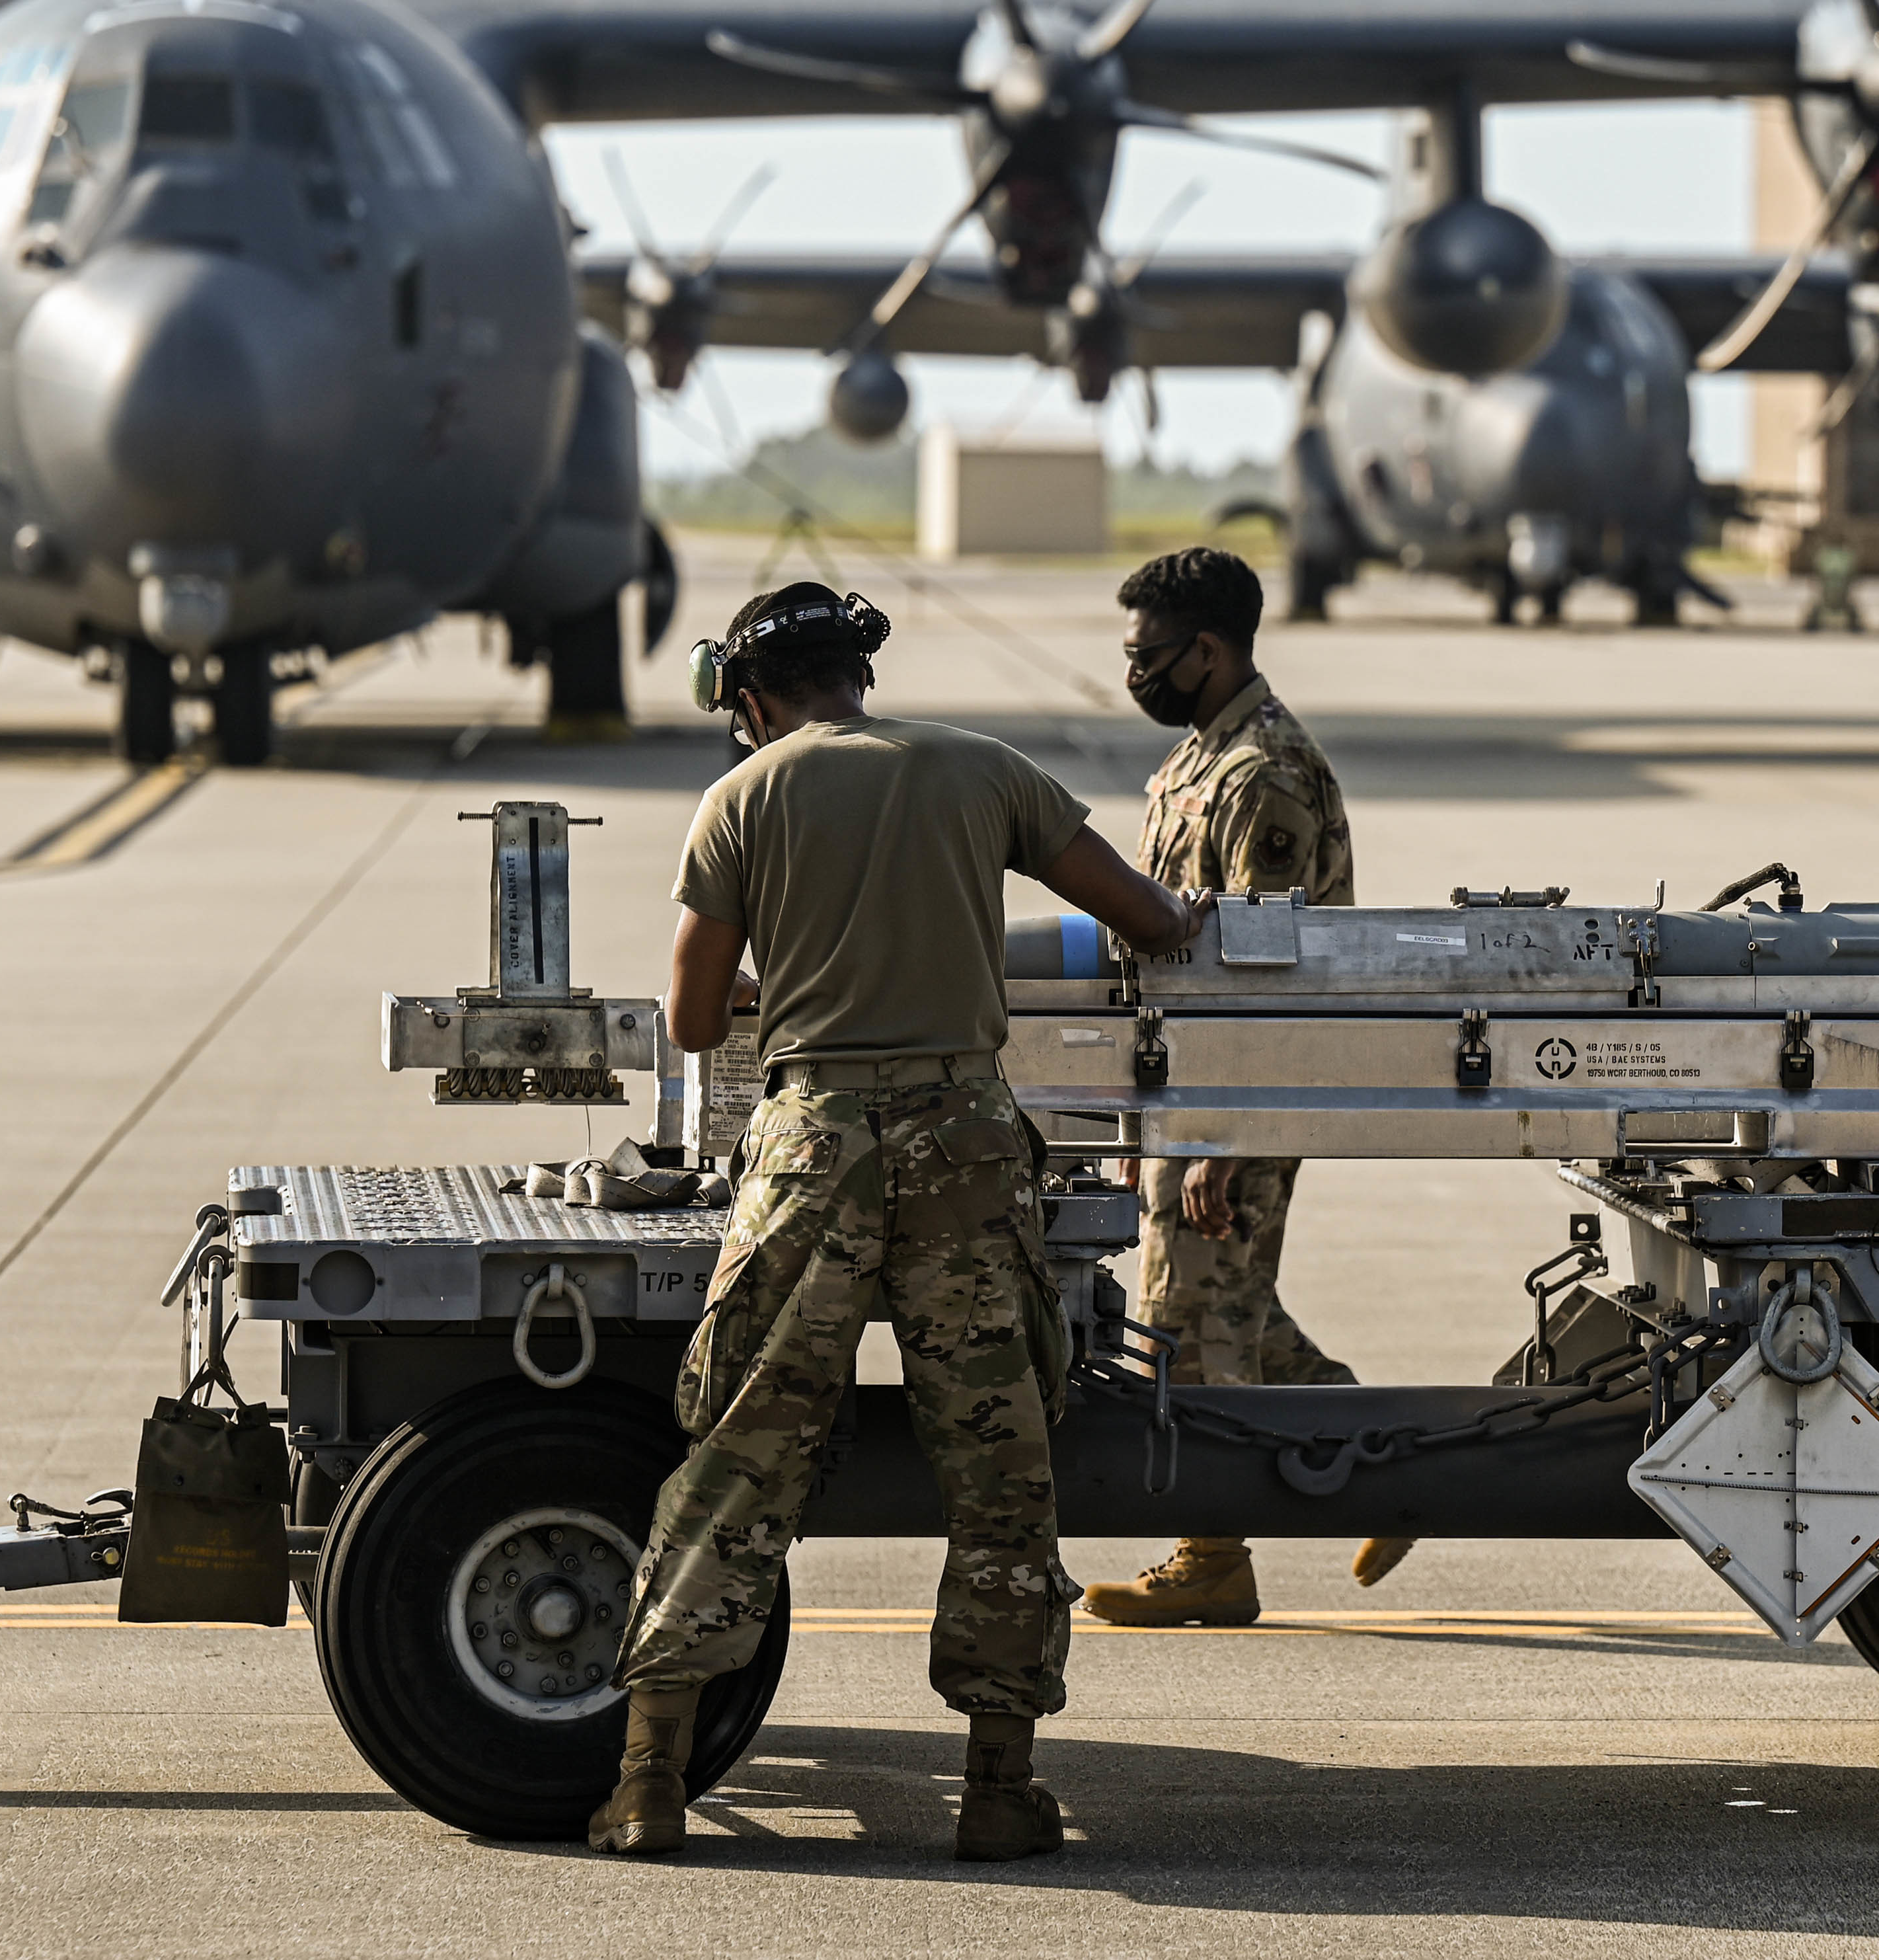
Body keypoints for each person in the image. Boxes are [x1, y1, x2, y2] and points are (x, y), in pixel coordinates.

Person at [591, 581, 1204, 1862]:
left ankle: (648, 1778)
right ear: (854, 675)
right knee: (998, 1467)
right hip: (963, 1152)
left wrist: (801, 973)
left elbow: (697, 1020)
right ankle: (997, 1788)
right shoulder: (981, 769)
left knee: (738, 1452)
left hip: (811, 1147)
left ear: (751, 699)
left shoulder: (741, 799)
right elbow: (1144, 918)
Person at [1079, 547, 1414, 1629]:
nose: (1135, 674)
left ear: (1208, 649)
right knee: (1228, 1308)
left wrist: (1225, 1129)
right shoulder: (1201, 761)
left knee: (1187, 1316)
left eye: (1147, 655)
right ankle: (1389, 1456)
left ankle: (1212, 1553)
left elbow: (1261, 972)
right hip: (1188, 1086)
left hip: (1237, 1085)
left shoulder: (1262, 773)